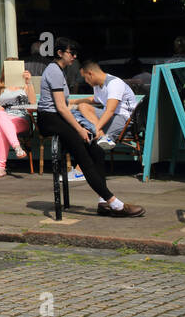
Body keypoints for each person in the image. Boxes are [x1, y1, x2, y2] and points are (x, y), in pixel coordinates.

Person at [38, 38, 143, 217]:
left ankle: (103, 202)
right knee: (83, 153)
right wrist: (79, 129)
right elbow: (61, 107)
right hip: (50, 119)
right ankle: (115, 204)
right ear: (60, 53)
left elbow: (65, 106)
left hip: (57, 117)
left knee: (96, 151)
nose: (74, 56)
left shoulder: (60, 71)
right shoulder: (54, 71)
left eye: (75, 53)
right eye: (72, 53)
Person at [78, 61, 137, 149]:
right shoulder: (98, 86)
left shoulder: (114, 83)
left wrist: (96, 129)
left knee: (88, 130)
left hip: (125, 119)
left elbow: (110, 110)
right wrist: (71, 102)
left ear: (90, 74)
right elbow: (94, 99)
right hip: (111, 117)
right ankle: (102, 136)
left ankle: (99, 134)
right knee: (78, 112)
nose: (86, 81)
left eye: (85, 78)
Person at [0, 67, 33, 178]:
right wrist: (4, 108)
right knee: (1, 115)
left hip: (19, 119)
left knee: (2, 129)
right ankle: (17, 146)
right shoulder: (0, 85)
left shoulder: (25, 86)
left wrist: (29, 82)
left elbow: (32, 106)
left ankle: (1, 168)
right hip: (0, 117)